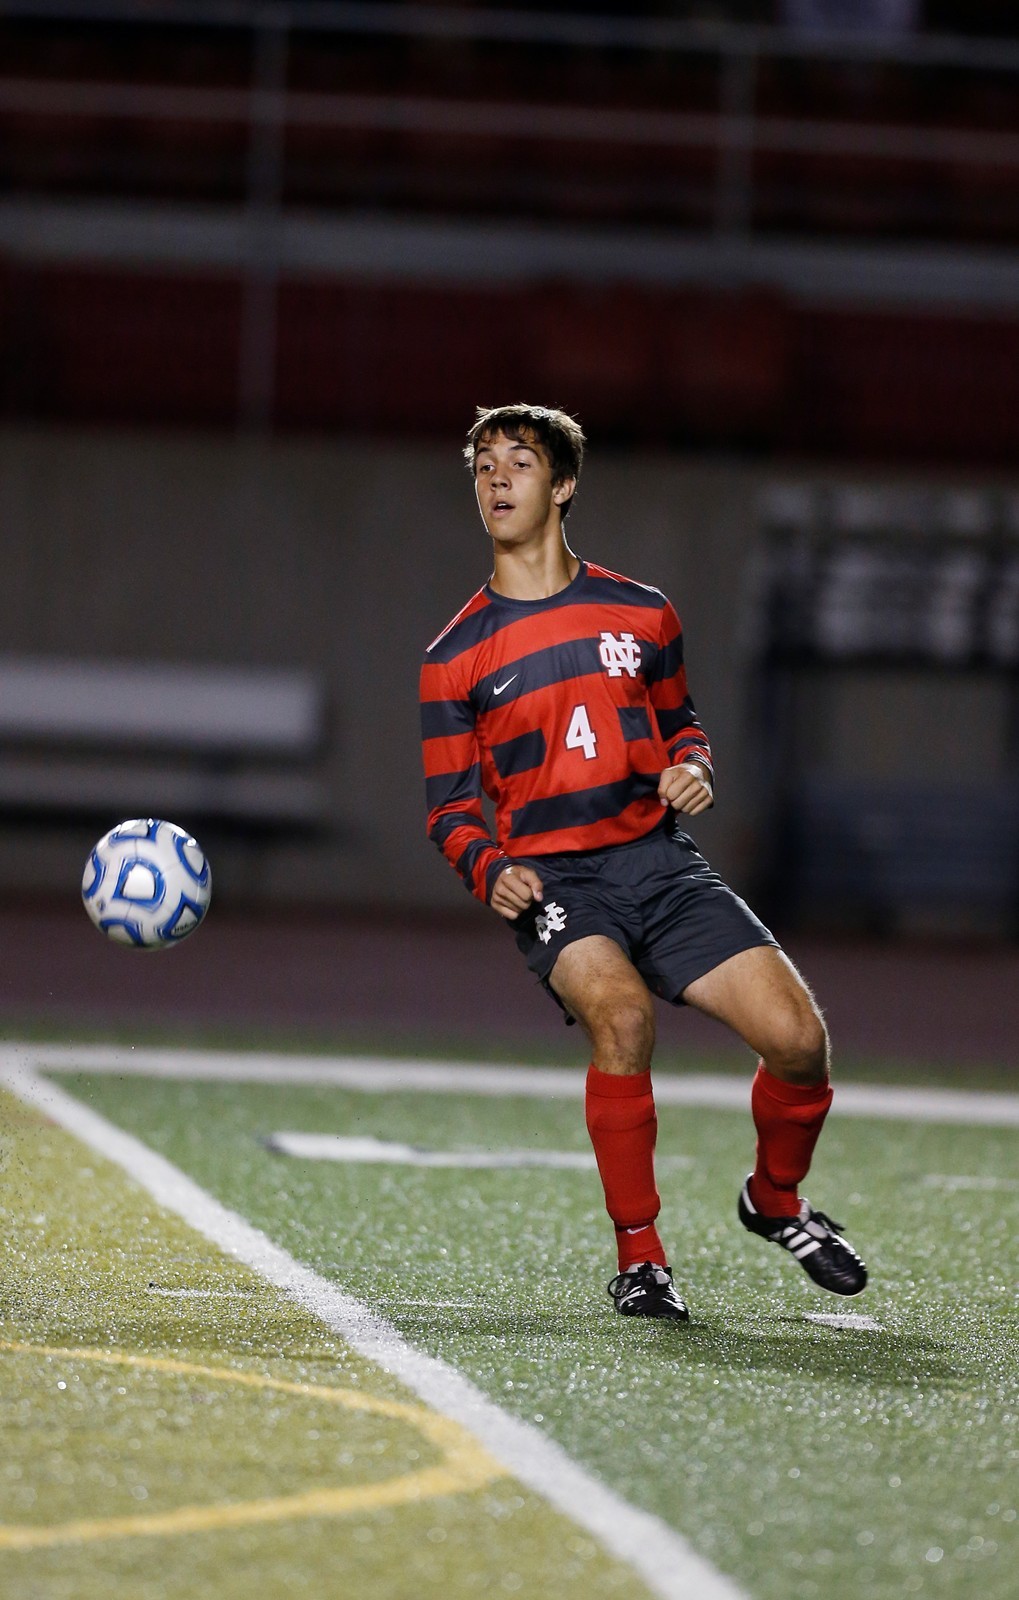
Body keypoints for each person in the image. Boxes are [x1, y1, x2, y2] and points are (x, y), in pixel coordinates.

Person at [419, 403, 866, 1321]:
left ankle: (773, 1202)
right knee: (621, 1020)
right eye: (483, 467)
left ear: (565, 485)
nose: (496, 480)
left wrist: (693, 765)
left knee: (798, 1042)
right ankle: (641, 1259)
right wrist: (484, 866)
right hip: (557, 883)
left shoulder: (642, 611)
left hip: (658, 865)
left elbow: (683, 726)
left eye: (519, 463)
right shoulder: (452, 655)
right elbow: (451, 806)